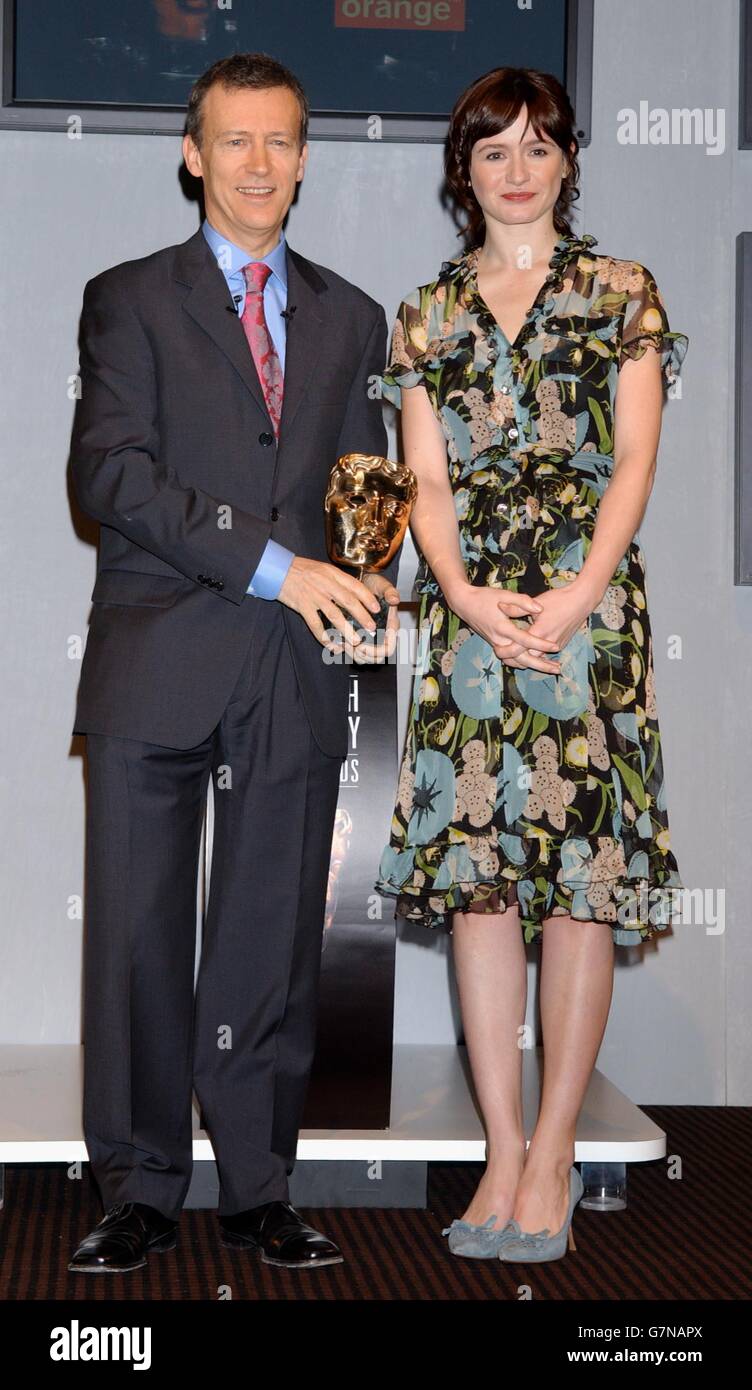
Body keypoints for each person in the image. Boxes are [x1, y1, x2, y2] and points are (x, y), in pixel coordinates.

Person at [68, 51, 401, 1275]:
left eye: (282, 142)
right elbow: (110, 474)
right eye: (236, 141)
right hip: (162, 646)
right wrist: (275, 563)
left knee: (269, 934)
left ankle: (259, 1183)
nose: (260, 164)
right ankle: (139, 1186)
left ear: (305, 159)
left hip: (295, 662)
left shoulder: (355, 315)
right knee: (139, 939)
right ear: (193, 156)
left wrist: (369, 572)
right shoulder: (127, 298)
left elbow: (363, 498)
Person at [374, 66, 688, 1263]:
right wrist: (456, 594)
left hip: (584, 621)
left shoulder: (621, 294)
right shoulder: (427, 312)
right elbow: (427, 481)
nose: (515, 167)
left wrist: (572, 594)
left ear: (566, 160)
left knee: (578, 886)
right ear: (464, 171)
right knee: (483, 891)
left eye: (535, 145)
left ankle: (556, 1146)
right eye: (490, 149)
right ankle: (499, 1148)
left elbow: (630, 471)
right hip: (468, 626)